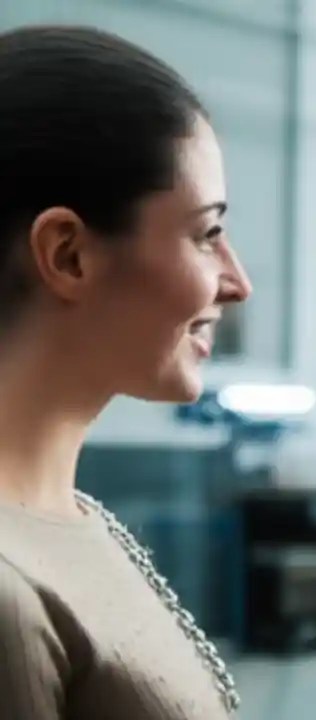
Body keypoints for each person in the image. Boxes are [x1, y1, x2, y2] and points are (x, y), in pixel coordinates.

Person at [0, 25, 251, 719]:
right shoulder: (8, 592)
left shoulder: (81, 522)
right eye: (206, 234)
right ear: (69, 255)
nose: (237, 282)